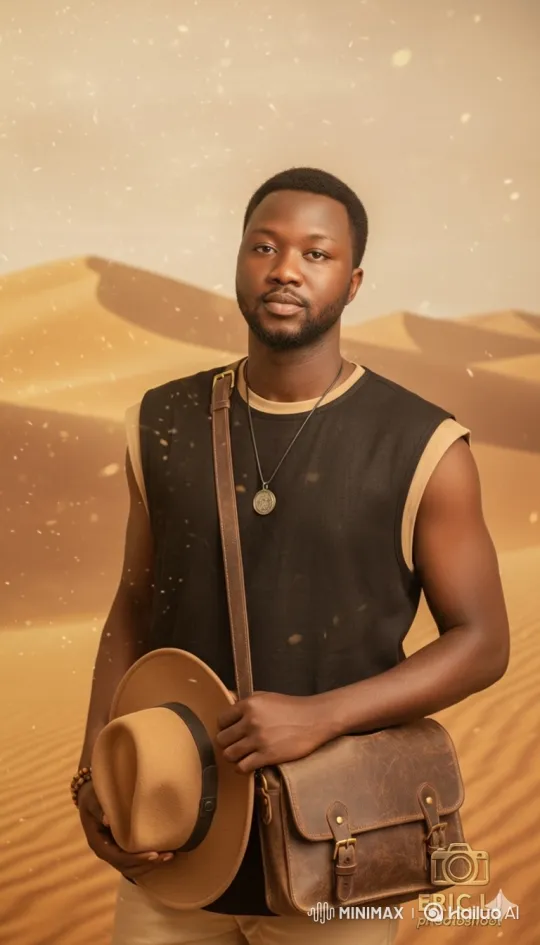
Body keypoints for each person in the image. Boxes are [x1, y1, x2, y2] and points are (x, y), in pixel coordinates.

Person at [75, 167, 510, 945]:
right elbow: (134, 609)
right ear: (239, 259)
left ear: (352, 280)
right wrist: (94, 772)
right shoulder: (161, 419)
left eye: (316, 253)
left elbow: (483, 643)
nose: (285, 269)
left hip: (340, 855)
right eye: (264, 247)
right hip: (174, 846)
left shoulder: (421, 443)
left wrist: (321, 716)